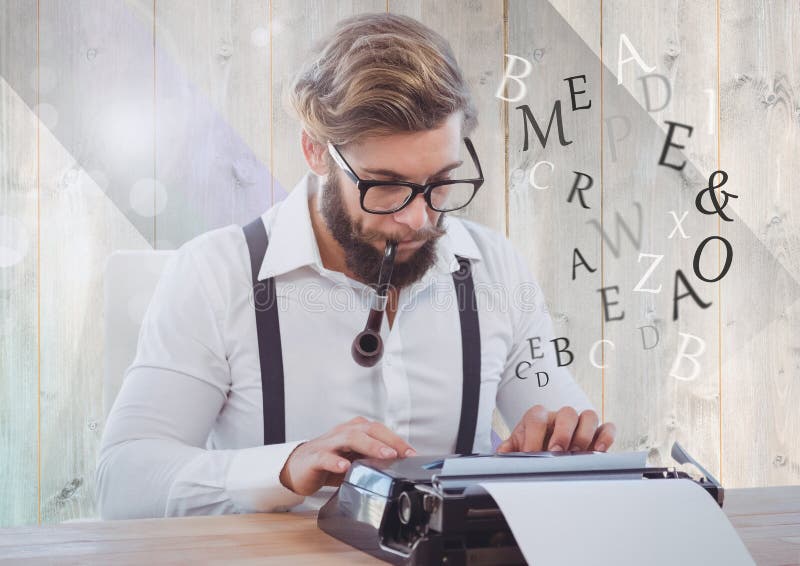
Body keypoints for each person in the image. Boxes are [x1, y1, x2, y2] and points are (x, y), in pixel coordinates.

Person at [96, 12, 616, 519]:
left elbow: (556, 419)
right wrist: (284, 467)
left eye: (440, 182)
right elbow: (124, 481)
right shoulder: (214, 275)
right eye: (385, 184)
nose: (418, 219)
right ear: (316, 153)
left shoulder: (495, 270)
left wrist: (560, 448)